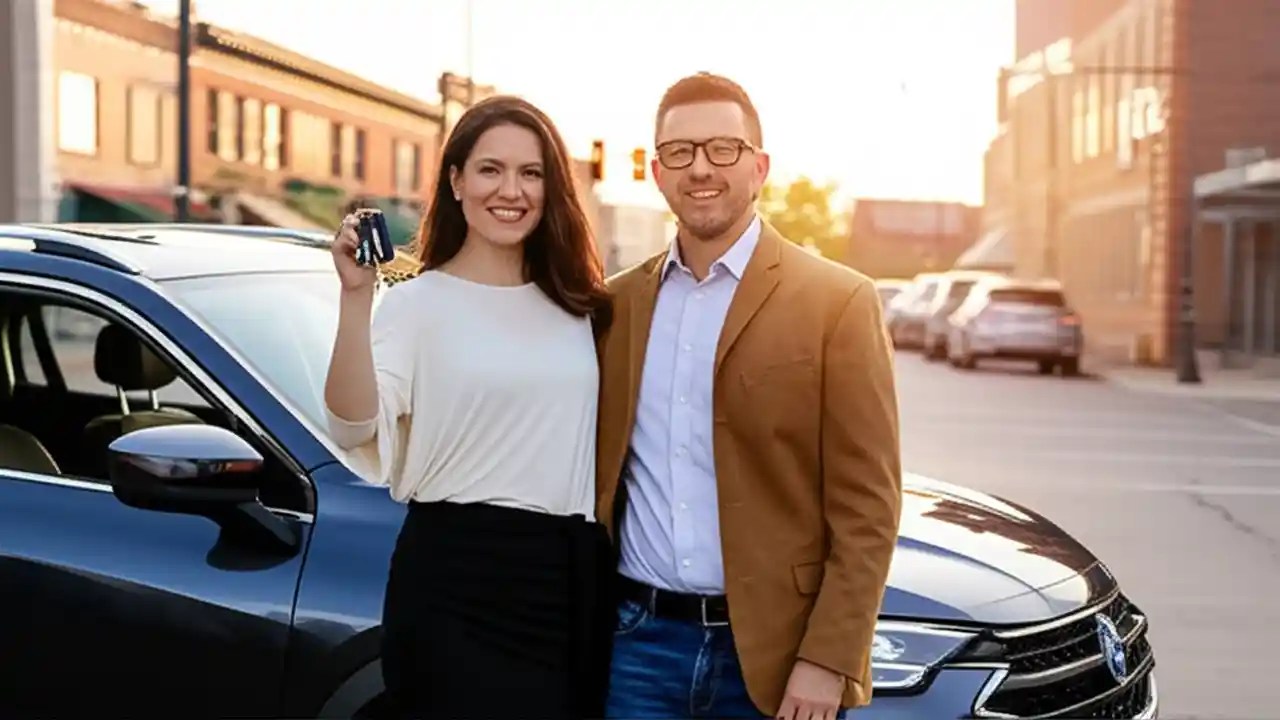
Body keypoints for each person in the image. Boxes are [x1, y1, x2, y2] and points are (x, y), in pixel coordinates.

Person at [595, 72, 904, 719]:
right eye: (680, 152)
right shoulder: (617, 306)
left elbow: (868, 506)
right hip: (635, 649)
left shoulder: (837, 302)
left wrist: (828, 659)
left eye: (722, 149)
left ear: (759, 166)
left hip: (773, 656)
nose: (700, 168)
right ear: (656, 171)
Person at [323, 95, 614, 720]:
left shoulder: (580, 308)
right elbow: (351, 426)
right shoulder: (415, 306)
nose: (511, 190)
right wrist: (356, 300)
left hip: (571, 580)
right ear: (456, 181)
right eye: (490, 169)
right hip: (455, 580)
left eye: (531, 173)